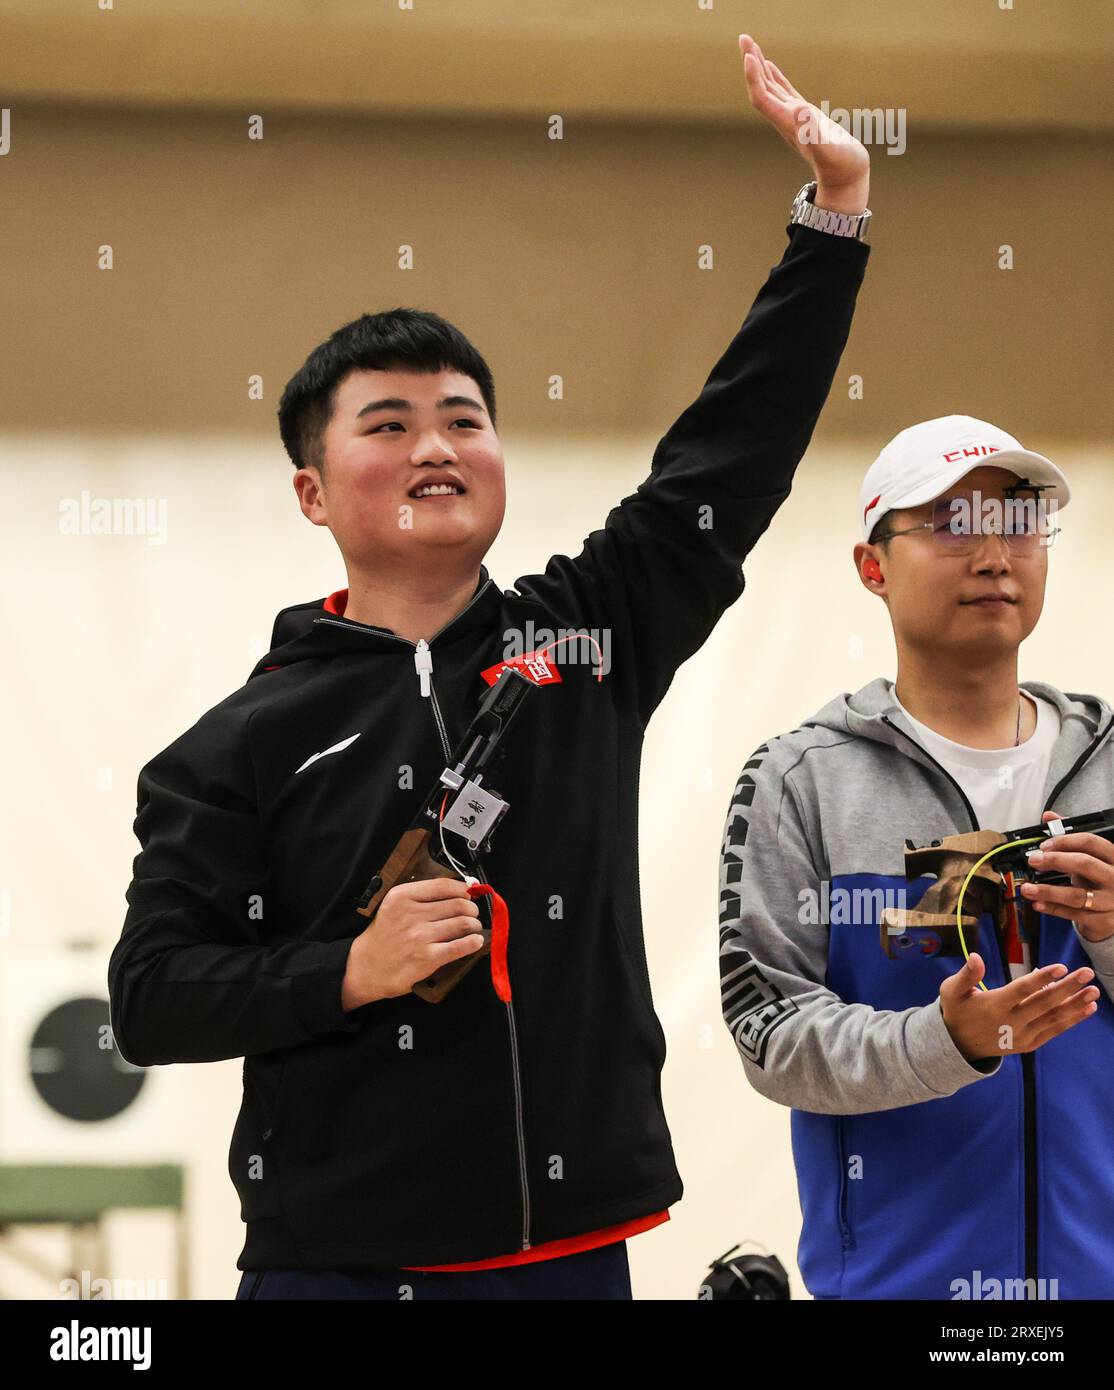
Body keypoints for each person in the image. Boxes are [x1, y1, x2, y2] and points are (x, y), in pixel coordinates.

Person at [109, 34, 873, 1300]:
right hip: (332, 1268)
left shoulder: (586, 636)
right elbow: (149, 998)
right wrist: (344, 971)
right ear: (312, 488)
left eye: (465, 418)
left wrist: (832, 220)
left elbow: (725, 459)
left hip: (569, 1260)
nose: (437, 445)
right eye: (390, 423)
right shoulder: (232, 743)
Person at [718, 414, 1114, 1299]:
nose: (993, 554)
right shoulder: (799, 780)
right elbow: (767, 1034)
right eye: (949, 524)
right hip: (902, 1288)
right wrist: (946, 1041)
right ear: (872, 567)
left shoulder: (1110, 760)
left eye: (1018, 522)